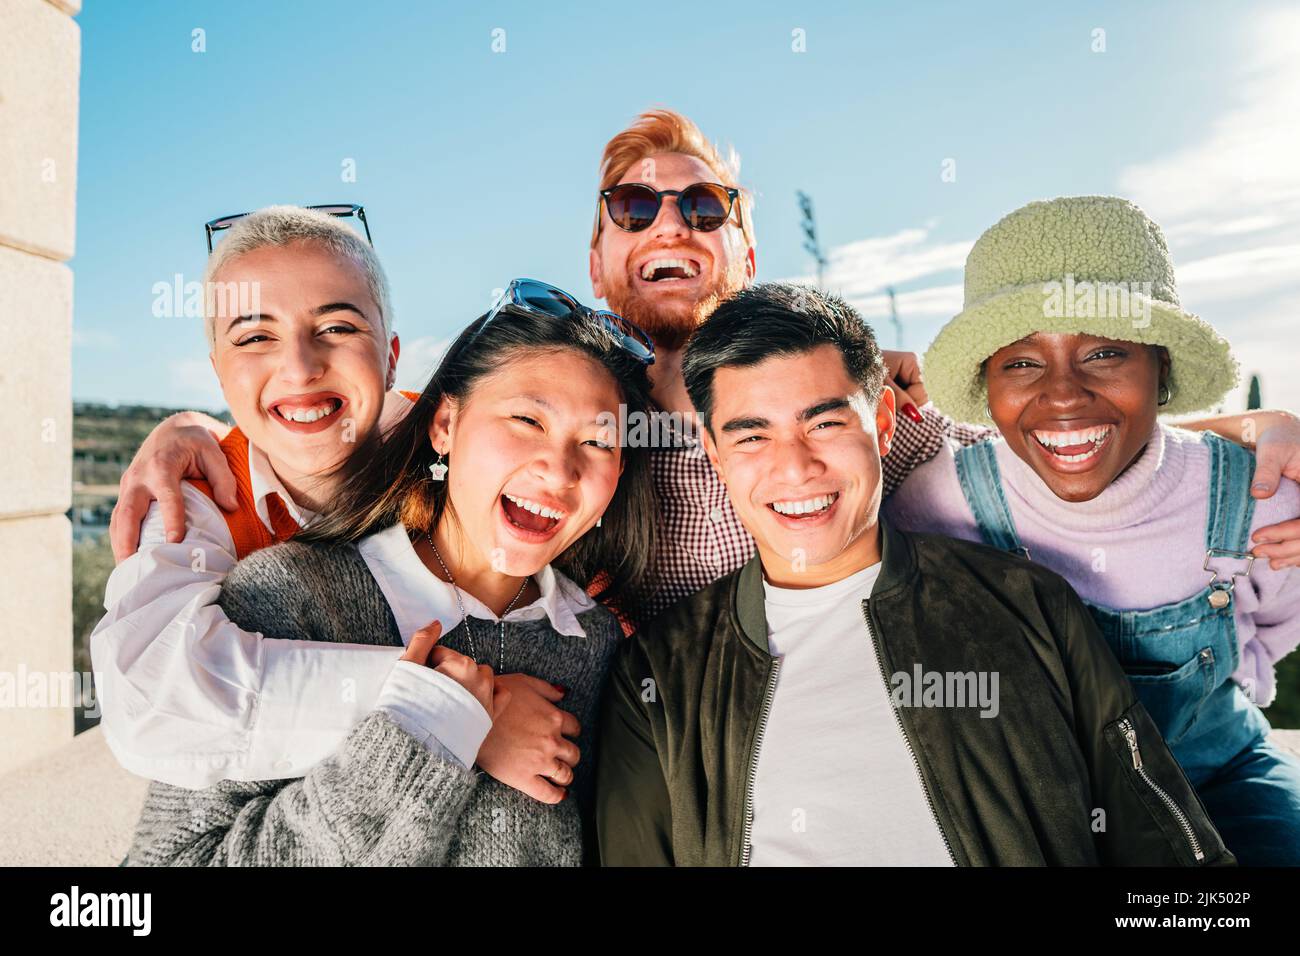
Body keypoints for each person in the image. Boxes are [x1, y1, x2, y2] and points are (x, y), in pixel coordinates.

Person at [109, 111, 1300, 629]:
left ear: (744, 242)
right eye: (633, 203)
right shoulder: (555, 424)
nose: (666, 218)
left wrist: (1229, 439)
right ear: (599, 251)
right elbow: (368, 421)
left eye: (701, 201)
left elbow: (1037, 462)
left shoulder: (866, 411)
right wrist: (182, 422)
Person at [596, 282, 1232, 866]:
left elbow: (1167, 851)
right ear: (714, 452)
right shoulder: (657, 674)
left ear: (881, 424)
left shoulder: (1027, 603)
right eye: (752, 436)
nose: (795, 469)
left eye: (824, 423)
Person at [127, 284, 658, 865]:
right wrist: (439, 727)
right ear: (445, 426)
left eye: (597, 441)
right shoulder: (288, 598)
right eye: (527, 420)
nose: (560, 471)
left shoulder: (596, 641)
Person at [91, 211, 582, 804]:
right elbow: (150, 703)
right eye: (254, 337)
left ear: (392, 355)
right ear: (220, 373)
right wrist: (452, 713)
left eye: (338, 328)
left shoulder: (464, 449)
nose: (300, 367)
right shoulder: (192, 496)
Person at [883, 195, 1300, 864]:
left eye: (1104, 352)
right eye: (1021, 362)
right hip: (1049, 801)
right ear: (986, 383)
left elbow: (1276, 629)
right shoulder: (941, 505)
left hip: (1223, 774)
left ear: (1161, 367)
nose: (1065, 395)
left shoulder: (1254, 499)